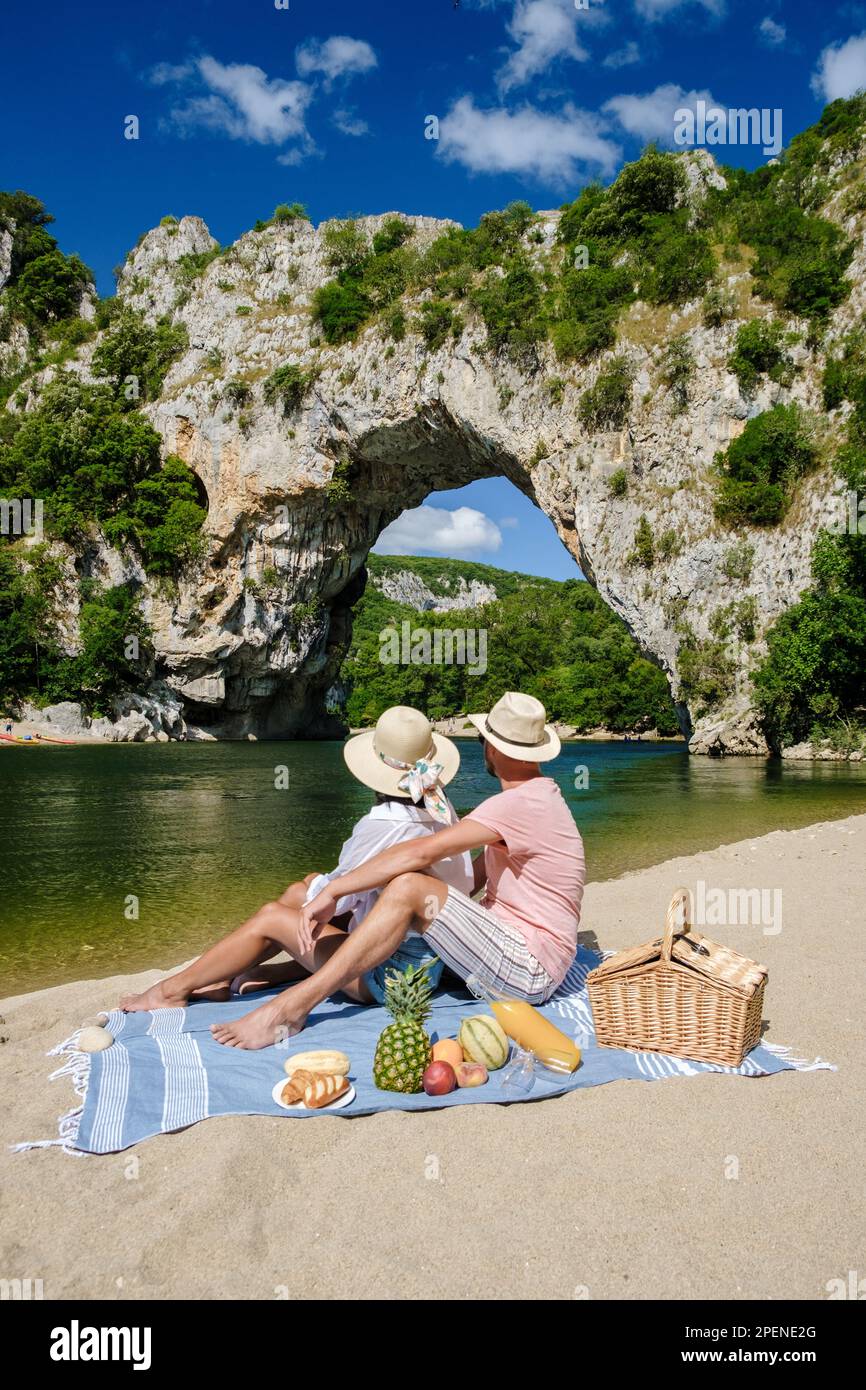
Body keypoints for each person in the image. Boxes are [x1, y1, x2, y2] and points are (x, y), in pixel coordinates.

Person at [195, 690, 586, 1049]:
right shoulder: (536, 798)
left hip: (527, 968)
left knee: (409, 887)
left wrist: (335, 891)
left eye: (483, 740)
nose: (482, 747)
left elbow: (419, 853)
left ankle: (289, 1010)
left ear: (494, 749)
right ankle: (288, 971)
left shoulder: (518, 805)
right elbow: (475, 875)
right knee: (407, 892)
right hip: (516, 951)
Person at [119, 706, 473, 1015]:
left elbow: (338, 897)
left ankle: (170, 991)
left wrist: (313, 887)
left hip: (385, 978)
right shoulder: (440, 807)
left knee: (274, 916)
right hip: (428, 965)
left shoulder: (385, 822)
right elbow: (463, 883)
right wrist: (312, 886)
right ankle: (223, 976)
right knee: (300, 890)